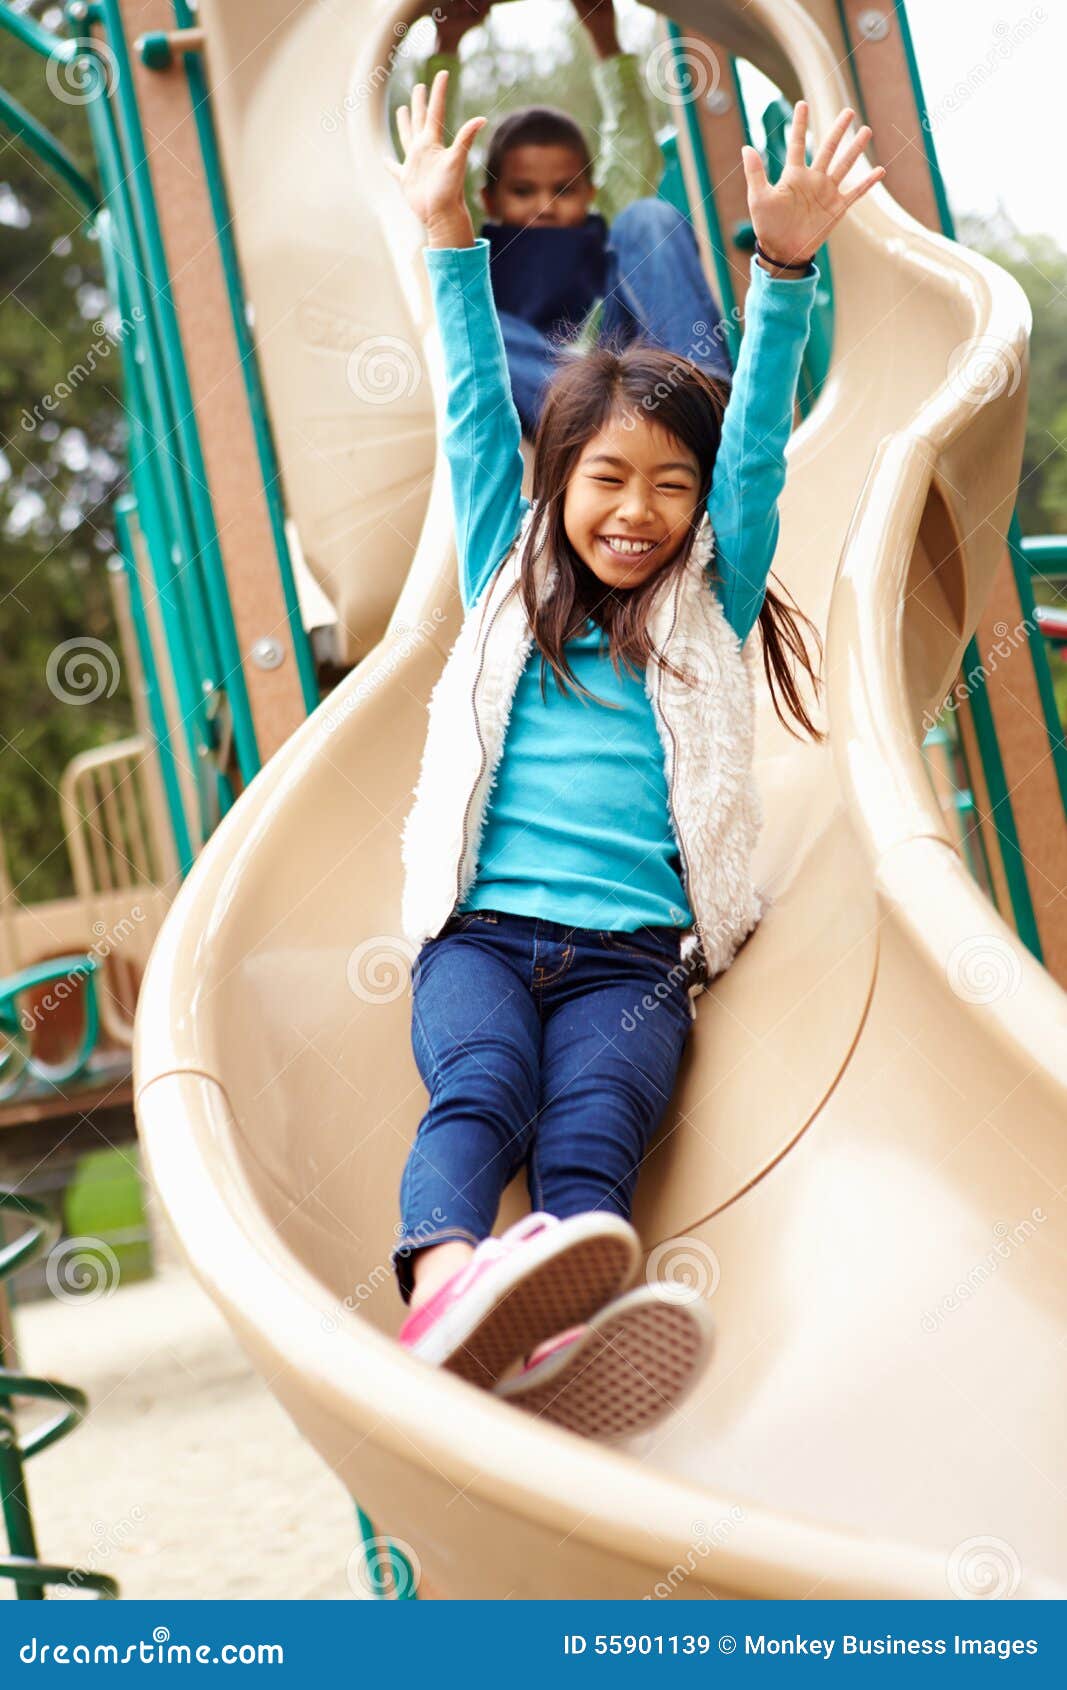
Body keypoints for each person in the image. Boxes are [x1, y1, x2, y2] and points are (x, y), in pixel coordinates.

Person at [383, 73, 884, 1440]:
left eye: (669, 486)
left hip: (633, 955)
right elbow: (471, 413)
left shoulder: (703, 600)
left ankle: (563, 1333)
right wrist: (445, 240)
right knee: (480, 1088)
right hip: (480, 935)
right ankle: (441, 1288)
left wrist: (780, 265)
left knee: (595, 1123)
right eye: (608, 478)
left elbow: (758, 452)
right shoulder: (506, 561)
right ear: (558, 484)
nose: (638, 511)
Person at [414, 0, 733, 433]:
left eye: (563, 190)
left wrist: (604, 34)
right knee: (475, 324)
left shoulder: (599, 225)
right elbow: (439, 169)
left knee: (649, 217)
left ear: (591, 192)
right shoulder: (478, 238)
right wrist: (445, 44)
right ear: (488, 199)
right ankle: (593, 426)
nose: (545, 204)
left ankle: (703, 391)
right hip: (558, 400)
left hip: (636, 380)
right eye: (523, 191)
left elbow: (633, 143)